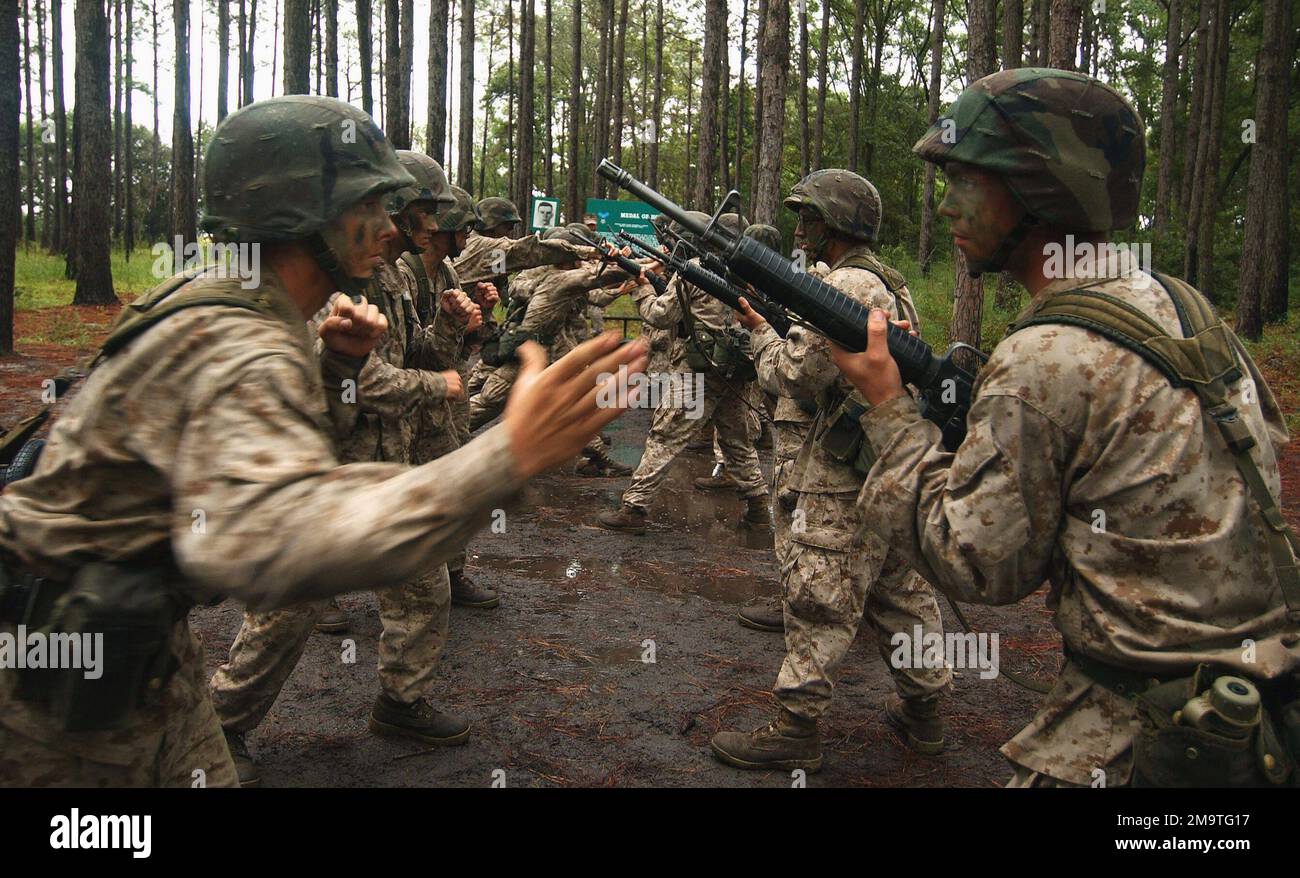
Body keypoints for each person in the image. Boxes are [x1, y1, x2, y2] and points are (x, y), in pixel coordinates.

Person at [0, 95, 648, 788]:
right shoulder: (240, 339)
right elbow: (281, 540)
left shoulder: (237, 296)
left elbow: (287, 443)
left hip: (131, 643)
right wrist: (505, 455)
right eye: (366, 207)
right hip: (61, 693)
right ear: (303, 217)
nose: (389, 228)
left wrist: (338, 366)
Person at [829, 68, 1299, 787]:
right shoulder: (1186, 306)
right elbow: (1261, 443)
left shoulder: (1044, 354)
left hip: (1137, 736)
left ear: (1042, 192)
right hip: (1260, 708)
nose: (946, 204)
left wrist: (888, 409)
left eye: (965, 180)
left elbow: (976, 564)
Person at [207, 150, 469, 786]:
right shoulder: (328, 278)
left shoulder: (395, 276)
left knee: (424, 583)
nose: (431, 225)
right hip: (327, 469)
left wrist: (451, 327)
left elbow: (412, 352)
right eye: (424, 211)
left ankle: (400, 702)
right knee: (290, 608)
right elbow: (366, 380)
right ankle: (221, 723)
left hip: (385, 465)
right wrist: (438, 386)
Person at [710, 170, 950, 773]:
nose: (800, 229)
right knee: (899, 588)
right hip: (887, 455)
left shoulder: (843, 285)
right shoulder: (888, 280)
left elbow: (798, 374)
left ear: (836, 224)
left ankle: (797, 727)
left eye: (810, 218)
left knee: (820, 588)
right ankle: (925, 712)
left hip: (844, 467)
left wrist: (760, 336)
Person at [597, 213, 770, 535]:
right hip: (735, 369)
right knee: (737, 442)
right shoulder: (752, 275)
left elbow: (660, 315)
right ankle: (759, 507)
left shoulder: (695, 270)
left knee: (664, 436)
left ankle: (634, 508)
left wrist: (641, 288)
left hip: (697, 371)